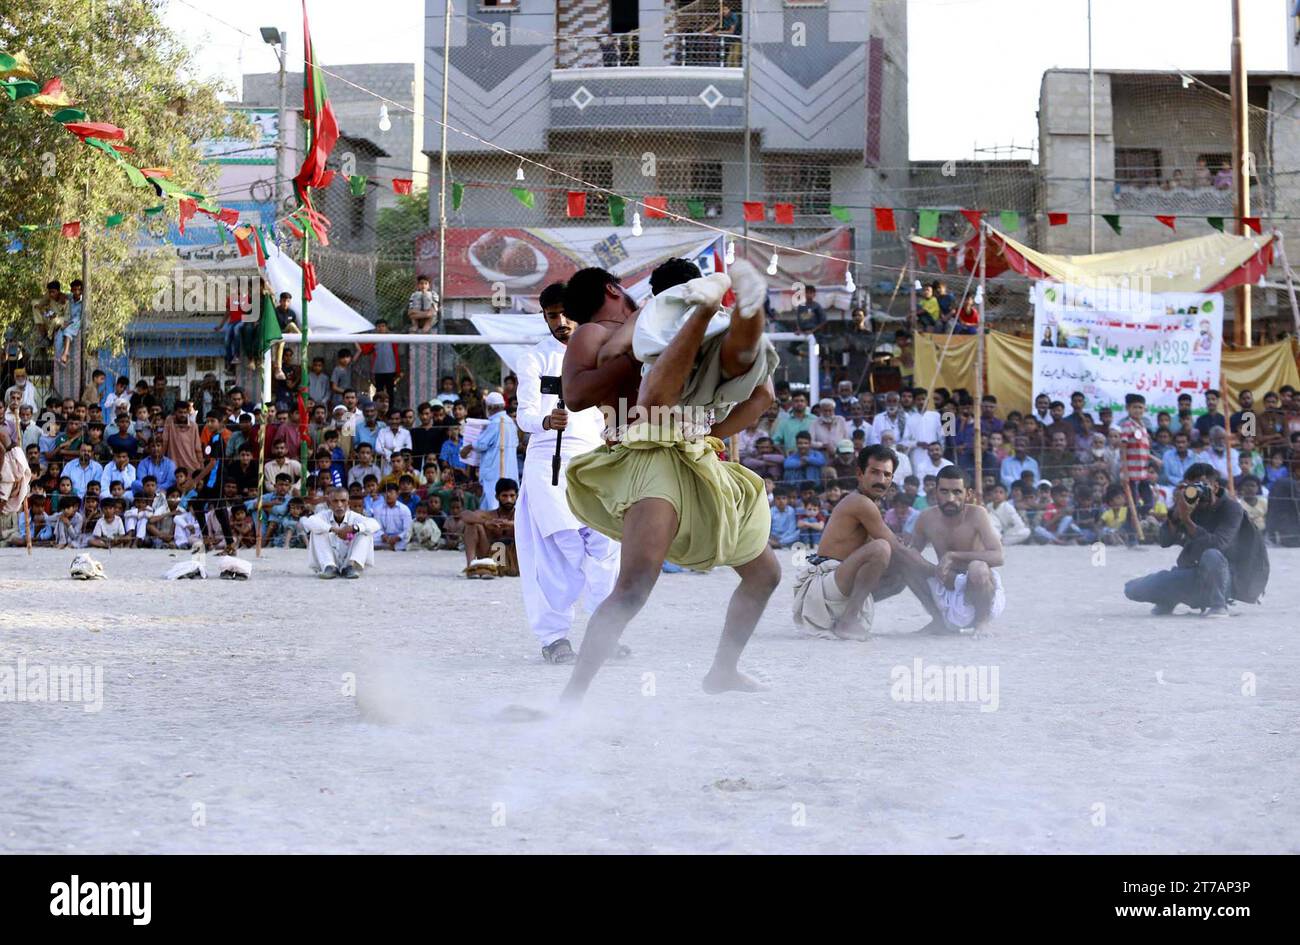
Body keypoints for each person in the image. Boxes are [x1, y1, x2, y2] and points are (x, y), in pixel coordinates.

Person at [559, 258, 781, 700]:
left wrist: (708, 434)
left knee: (764, 574)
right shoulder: (615, 326)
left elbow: (763, 395)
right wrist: (708, 432)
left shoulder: (646, 320)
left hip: (690, 449)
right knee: (634, 586)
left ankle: (722, 673)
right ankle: (572, 697)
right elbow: (579, 393)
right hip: (660, 453)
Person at [513, 281, 621, 664]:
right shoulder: (535, 359)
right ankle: (555, 638)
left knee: (606, 545)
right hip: (548, 462)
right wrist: (545, 419)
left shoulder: (601, 353)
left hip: (593, 462)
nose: (560, 322)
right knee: (560, 550)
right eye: (551, 315)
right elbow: (523, 415)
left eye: (565, 313)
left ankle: (604, 632)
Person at [1124, 463, 1269, 616]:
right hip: (1194, 574)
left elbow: (1218, 544)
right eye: (1193, 487)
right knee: (1132, 589)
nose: (1198, 491)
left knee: (1211, 555)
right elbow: (1164, 541)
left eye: (1203, 485)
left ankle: (1218, 605)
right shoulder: (1188, 504)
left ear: (1215, 486)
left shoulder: (1231, 508)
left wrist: (1187, 521)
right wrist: (1176, 513)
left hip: (1227, 577)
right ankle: (1169, 598)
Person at [302, 486, 381, 579]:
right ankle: (329, 567)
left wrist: (354, 528)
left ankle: (351, 567)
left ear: (348, 503)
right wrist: (333, 529)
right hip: (329, 560)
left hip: (349, 559)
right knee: (317, 531)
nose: (339, 505)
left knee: (365, 532)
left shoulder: (354, 517)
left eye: (343, 501)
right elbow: (309, 522)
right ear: (329, 503)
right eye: (335, 501)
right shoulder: (324, 515)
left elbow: (375, 524)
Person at [462, 391, 518, 510]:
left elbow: (482, 444)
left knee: (493, 500)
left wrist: (467, 447)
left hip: (494, 470)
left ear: (490, 407)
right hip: (507, 469)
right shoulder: (510, 422)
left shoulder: (496, 422)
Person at [461, 478, 518, 578]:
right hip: (489, 557)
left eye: (512, 496)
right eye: (504, 496)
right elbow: (464, 515)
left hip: (515, 561)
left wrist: (512, 524)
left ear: (517, 496)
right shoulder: (489, 515)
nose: (509, 500)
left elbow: (536, 524)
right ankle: (471, 567)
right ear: (497, 497)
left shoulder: (521, 517)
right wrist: (486, 522)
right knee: (473, 525)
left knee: (527, 528)